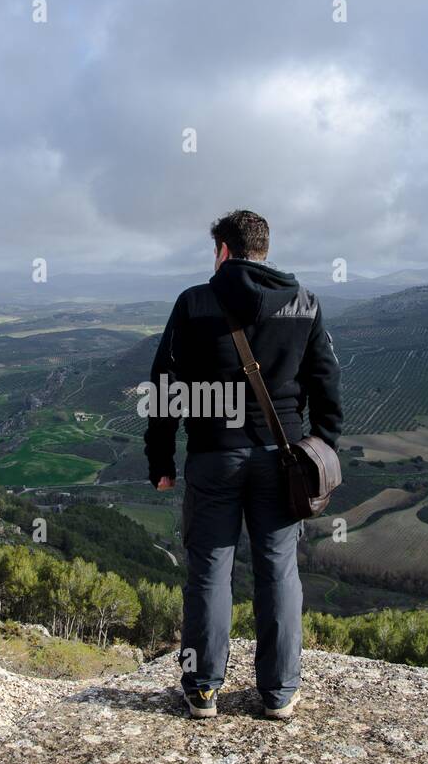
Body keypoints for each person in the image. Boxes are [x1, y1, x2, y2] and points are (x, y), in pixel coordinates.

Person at [144, 209, 342, 720]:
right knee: (278, 571)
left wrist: (161, 458)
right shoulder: (304, 303)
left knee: (210, 571)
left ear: (224, 251)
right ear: (264, 249)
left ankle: (203, 690)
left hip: (213, 457)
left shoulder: (194, 303)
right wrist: (323, 445)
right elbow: (326, 382)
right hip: (282, 460)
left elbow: (165, 387)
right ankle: (278, 693)